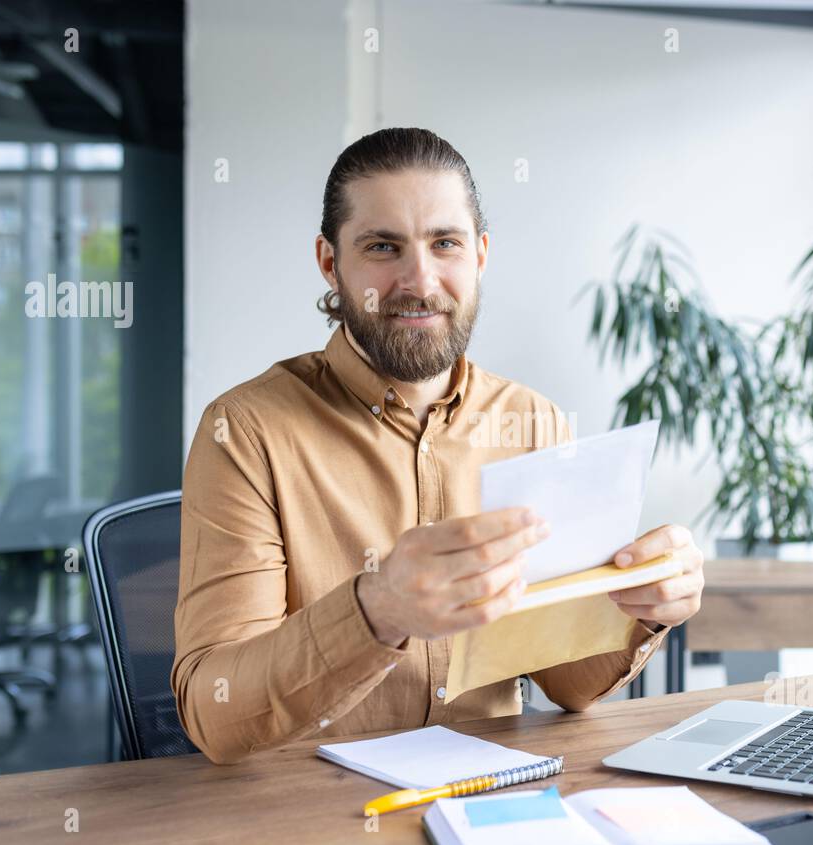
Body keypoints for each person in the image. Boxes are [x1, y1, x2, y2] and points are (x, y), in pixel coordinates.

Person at [172, 128, 704, 764]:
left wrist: (643, 604)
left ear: (479, 255)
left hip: (492, 804)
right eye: (382, 246)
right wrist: (377, 610)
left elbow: (567, 684)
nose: (418, 280)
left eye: (444, 243)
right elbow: (215, 714)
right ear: (329, 262)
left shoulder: (532, 420)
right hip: (308, 818)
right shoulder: (246, 431)